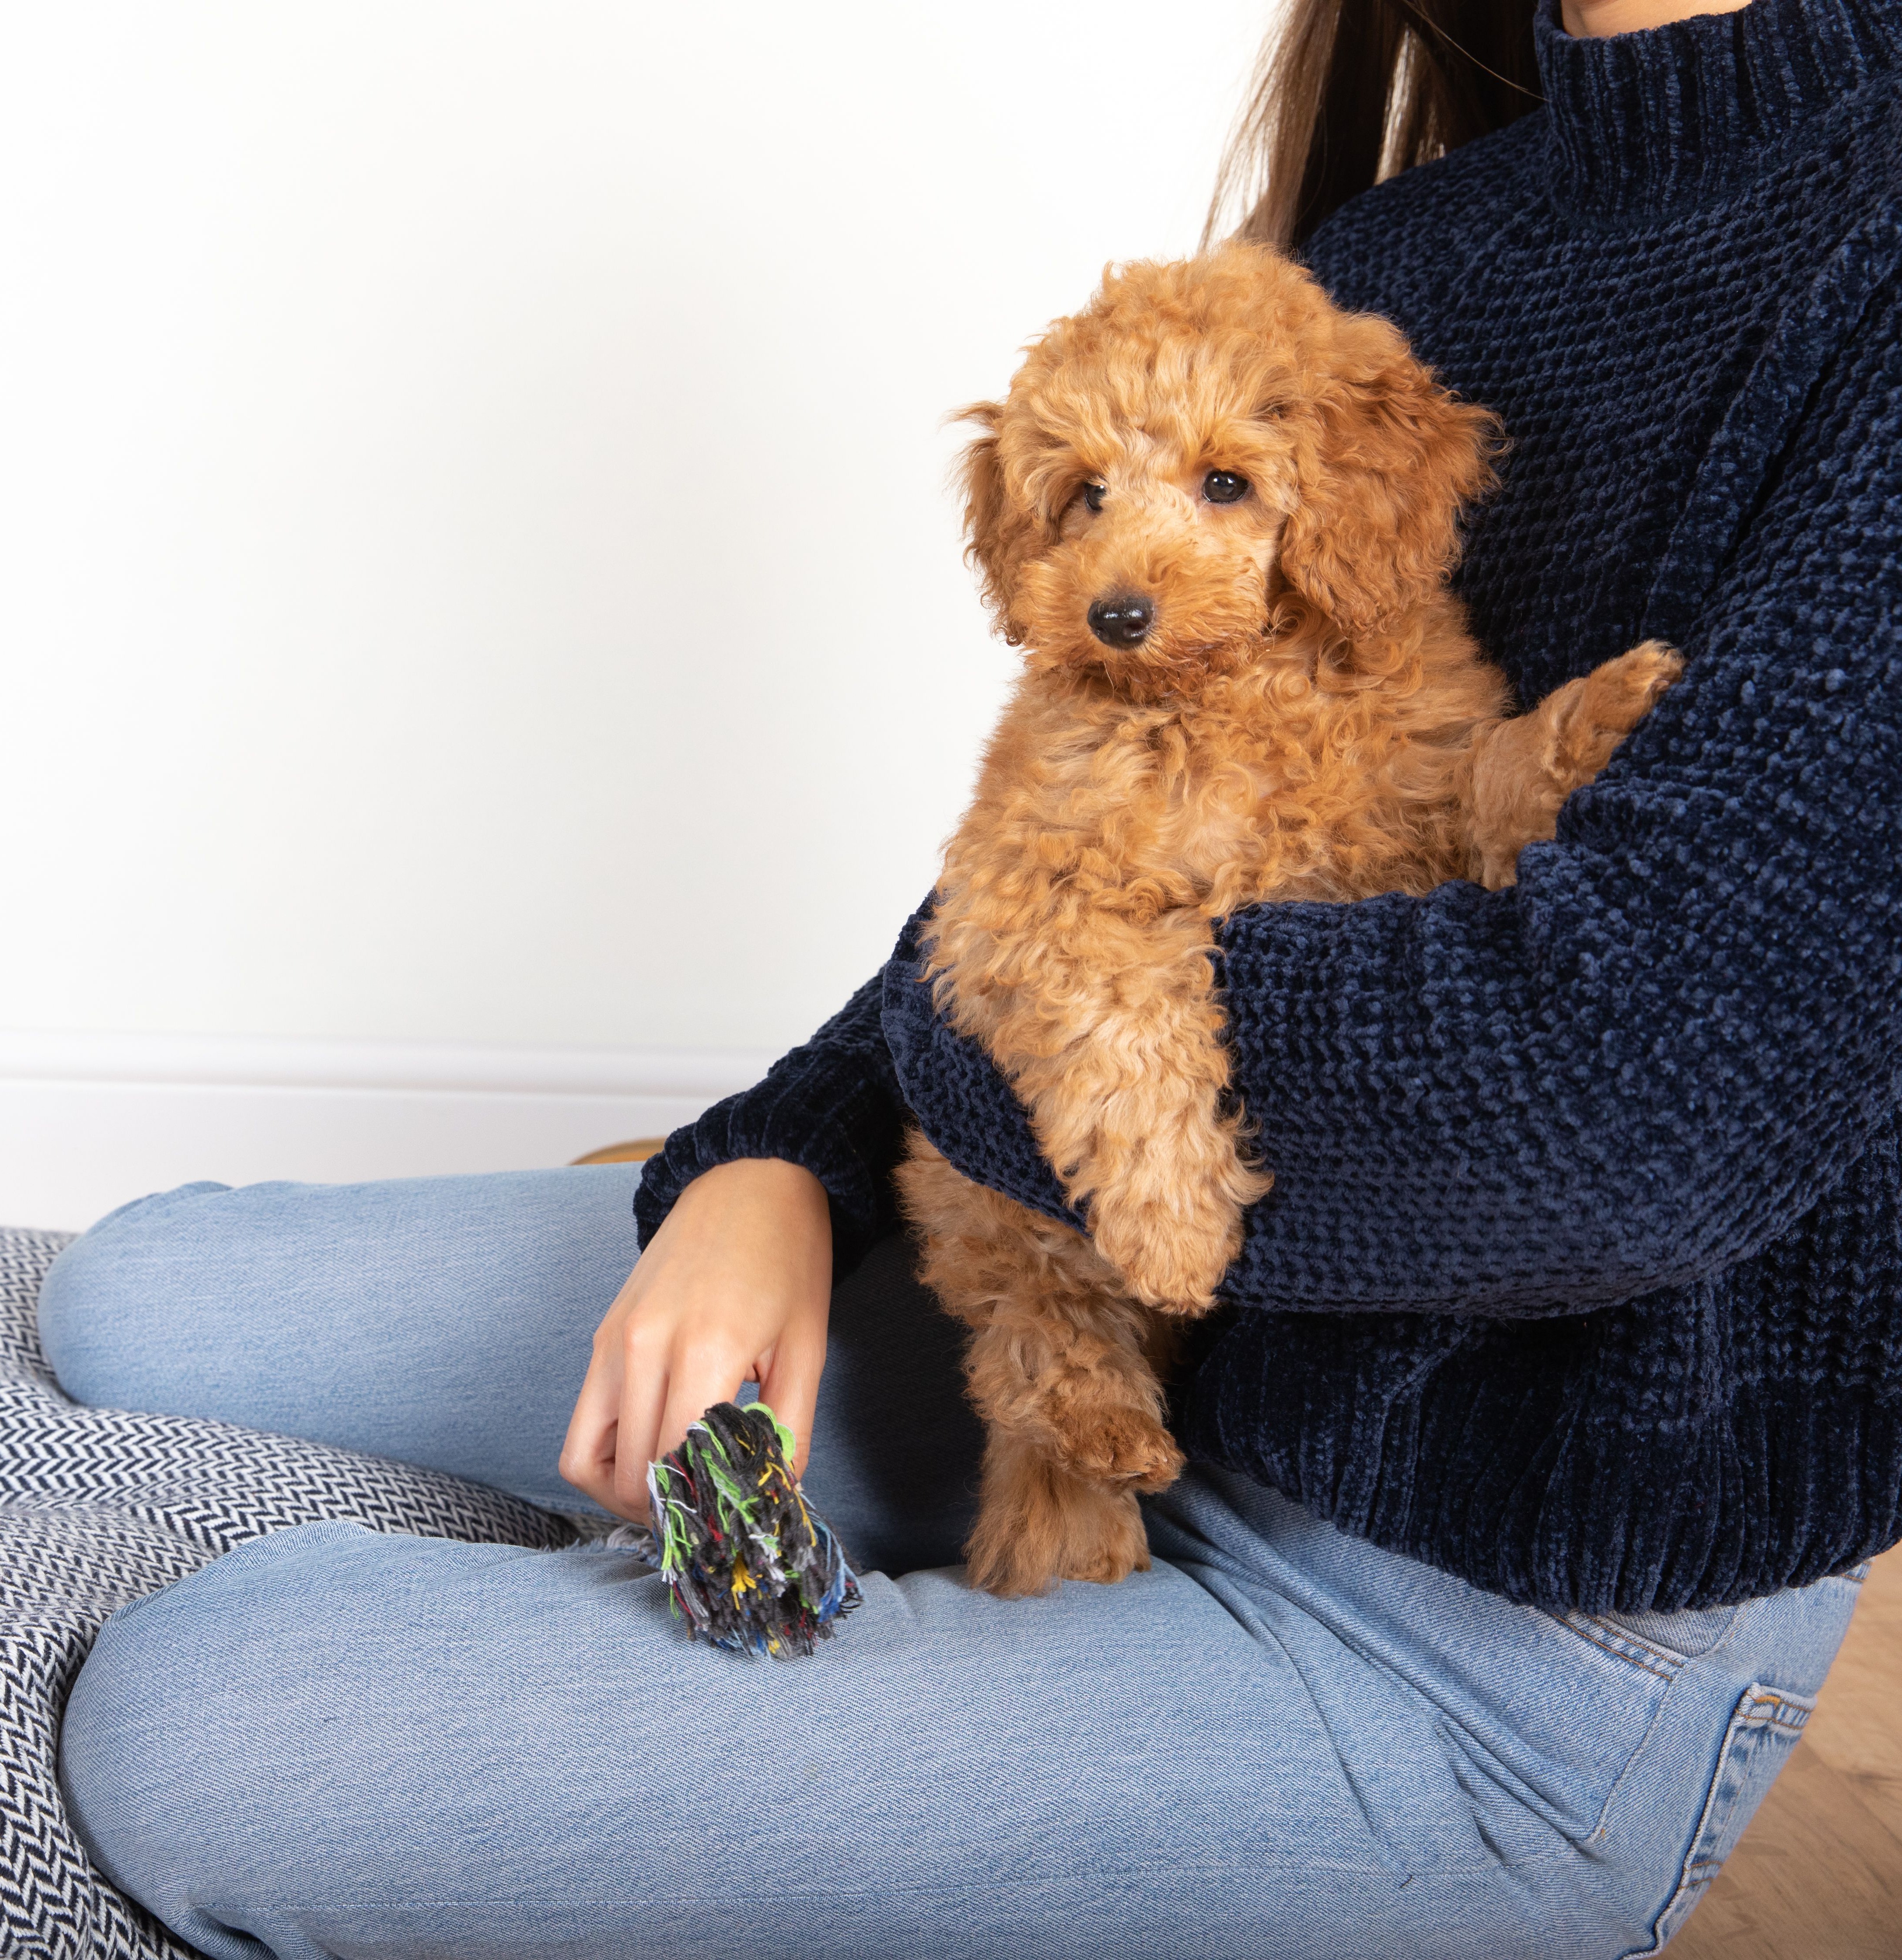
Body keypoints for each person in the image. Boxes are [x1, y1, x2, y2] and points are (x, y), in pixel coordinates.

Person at [38, 0, 1901, 1953]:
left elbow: (1617, 1111)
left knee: (200, 1708)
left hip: (1490, 1623)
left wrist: (993, 1024)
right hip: (1127, 1319)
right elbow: (1066, 827)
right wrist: (776, 1166)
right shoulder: (1404, 247)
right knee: (134, 1295)